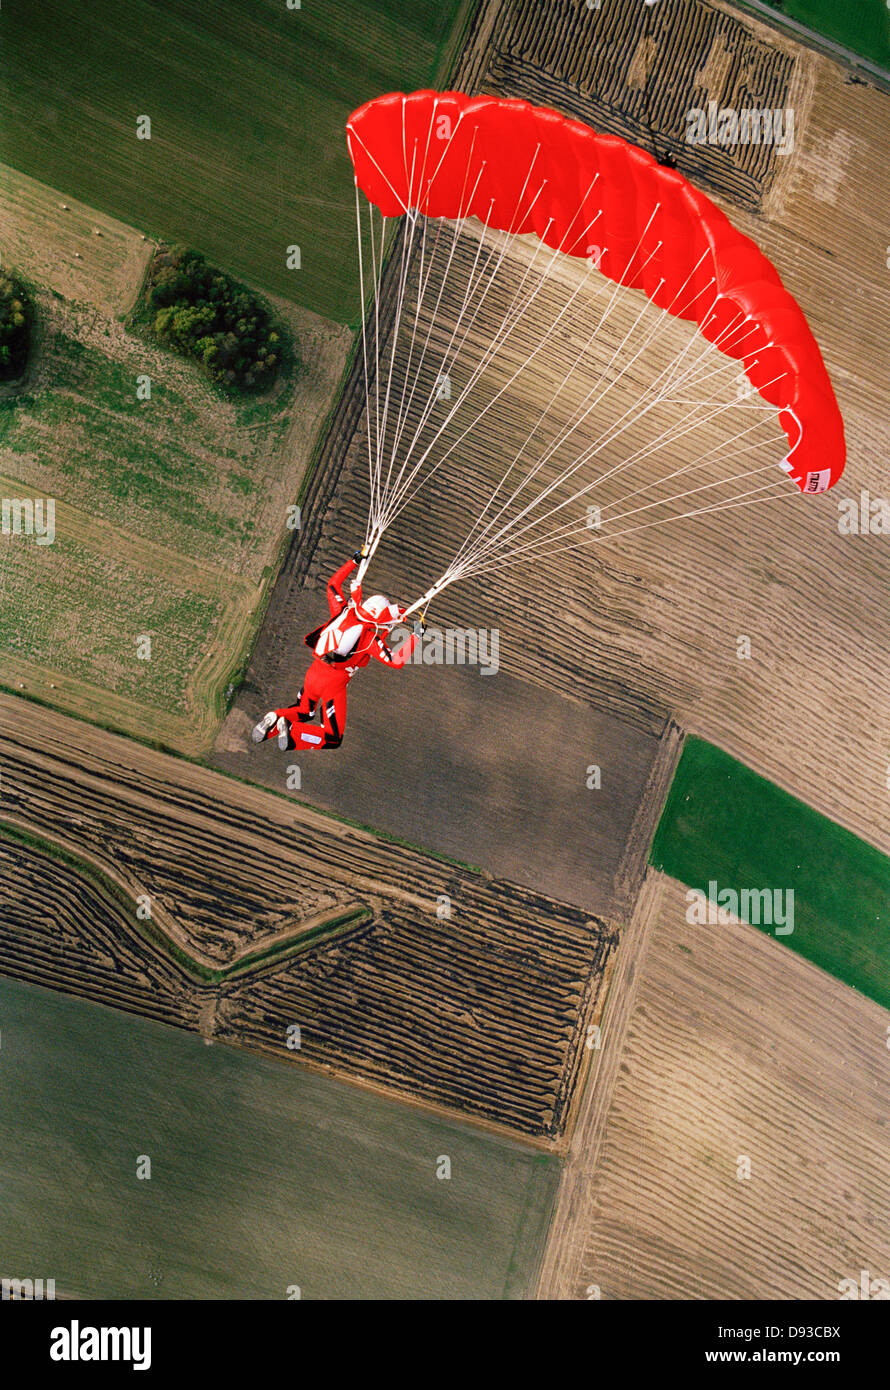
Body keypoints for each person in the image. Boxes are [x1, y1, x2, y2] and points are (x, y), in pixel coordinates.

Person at [252, 551, 420, 752]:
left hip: (313, 674)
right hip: (333, 686)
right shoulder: (369, 638)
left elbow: (332, 585)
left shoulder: (343, 612)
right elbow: (396, 660)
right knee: (333, 738)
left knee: (305, 711)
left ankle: (276, 718)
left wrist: (353, 561)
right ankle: (292, 732)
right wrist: (416, 636)